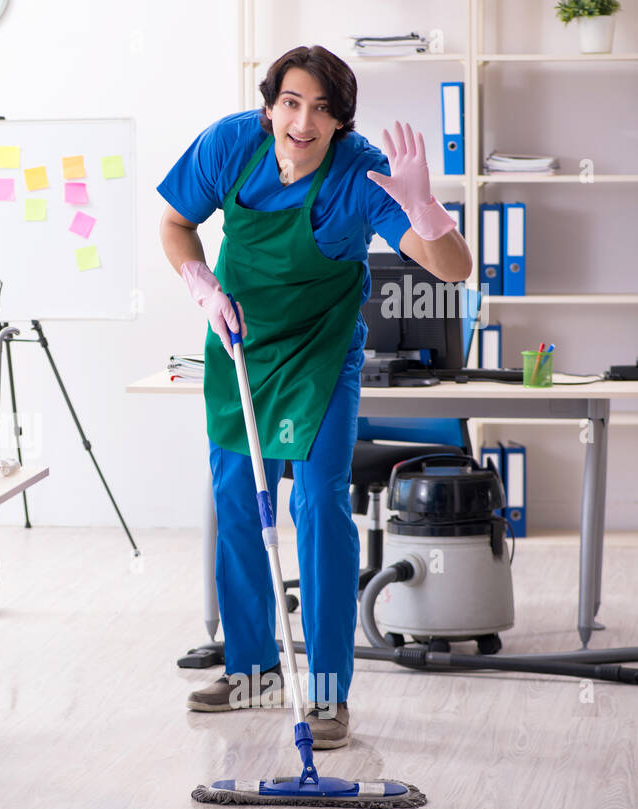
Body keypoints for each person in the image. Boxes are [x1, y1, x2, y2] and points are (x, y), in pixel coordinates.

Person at [157, 45, 472, 748]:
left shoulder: (360, 173)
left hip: (321, 354)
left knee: (317, 504)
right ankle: (252, 673)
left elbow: (454, 269)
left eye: (324, 109)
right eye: (292, 103)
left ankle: (327, 694)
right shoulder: (229, 145)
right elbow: (176, 224)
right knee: (238, 498)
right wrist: (199, 285)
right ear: (269, 106)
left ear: (340, 122)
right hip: (240, 341)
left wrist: (423, 210)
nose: (305, 121)